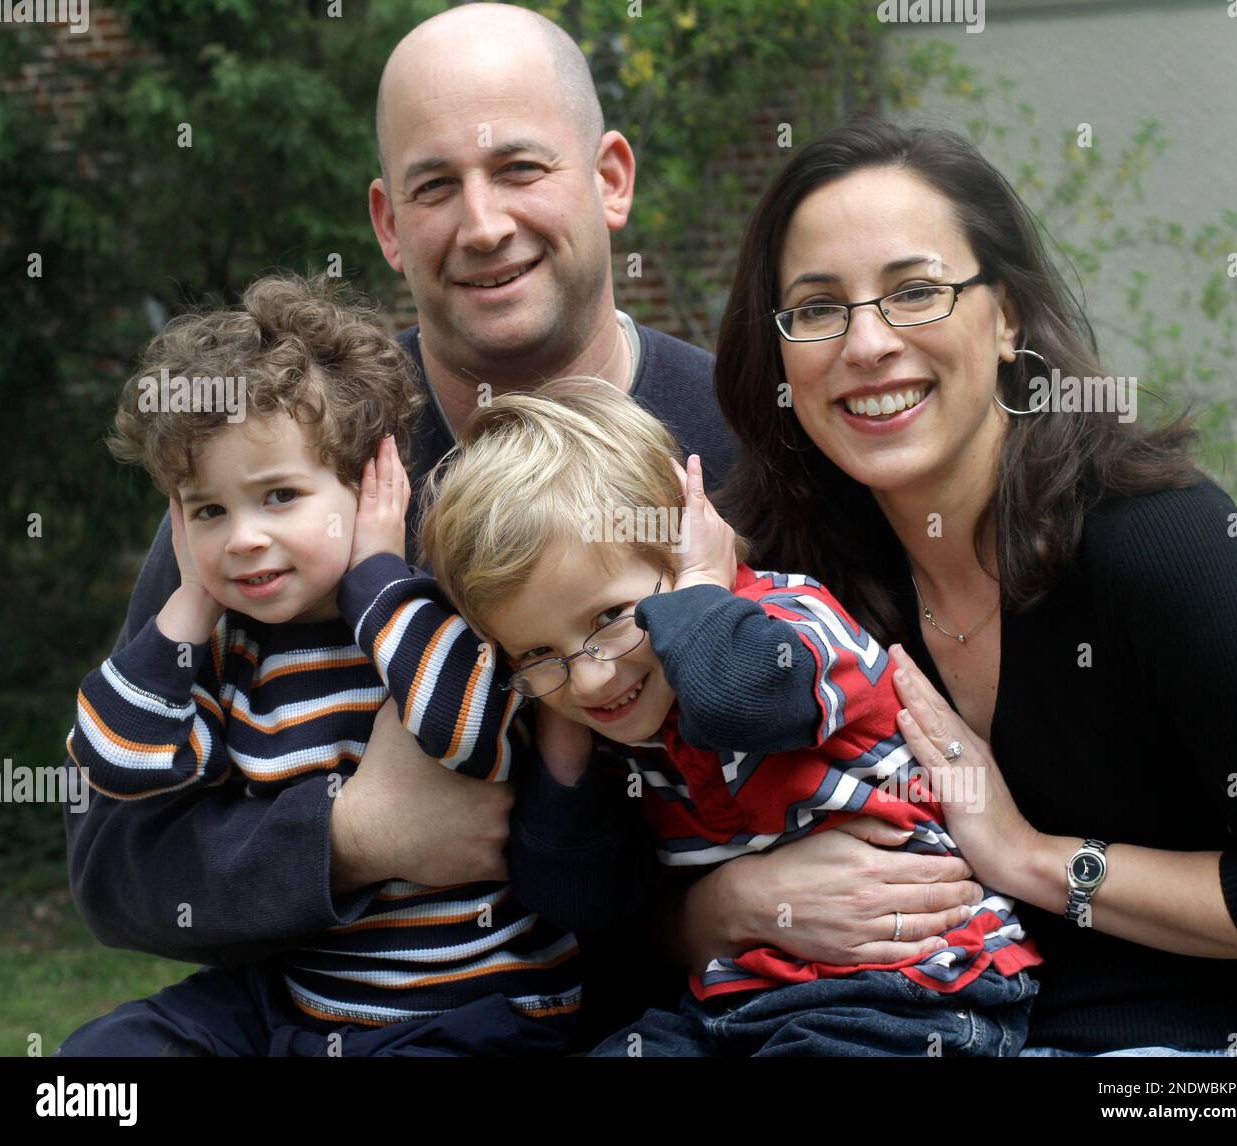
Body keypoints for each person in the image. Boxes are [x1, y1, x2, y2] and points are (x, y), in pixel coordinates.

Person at [59, 3, 795, 1053]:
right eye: (435, 185)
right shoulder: (297, 453)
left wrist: (719, 916)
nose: (482, 223)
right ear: (388, 224)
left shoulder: (744, 449)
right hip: (324, 1016)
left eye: (521, 168)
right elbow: (114, 859)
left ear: (612, 178)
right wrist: (348, 839)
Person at [665, 118, 1237, 1055]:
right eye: (819, 308)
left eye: (916, 291)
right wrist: (731, 904)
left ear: (1007, 318)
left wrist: (1029, 858)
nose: (867, 343)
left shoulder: (1159, 542)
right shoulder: (789, 580)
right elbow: (634, 899)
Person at [417, 380, 1043, 1056]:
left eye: (608, 617)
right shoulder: (621, 710)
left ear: (685, 545)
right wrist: (562, 718)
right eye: (538, 650)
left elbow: (731, 700)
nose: (595, 673)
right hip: (737, 1004)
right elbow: (576, 896)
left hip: (913, 988)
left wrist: (702, 586)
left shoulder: (788, 622)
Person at [59, 273, 597, 1055]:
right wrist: (189, 604)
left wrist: (375, 577)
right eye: (209, 510)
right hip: (302, 999)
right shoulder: (228, 652)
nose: (242, 537)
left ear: (368, 482)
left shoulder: (431, 609)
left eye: (279, 495)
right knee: (99, 1065)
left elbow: (470, 734)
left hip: (472, 1010)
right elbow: (119, 762)